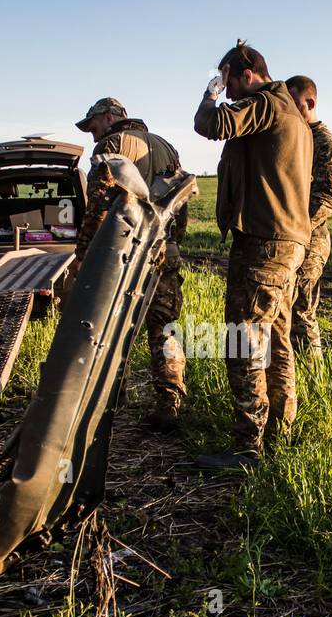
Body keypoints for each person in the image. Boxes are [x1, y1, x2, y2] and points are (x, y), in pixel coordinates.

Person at [193, 42, 313, 468]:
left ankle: (247, 446)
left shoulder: (265, 103)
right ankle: (281, 430)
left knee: (242, 340)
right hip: (287, 243)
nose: (227, 94)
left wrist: (209, 95)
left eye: (229, 83)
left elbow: (213, 123)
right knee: (277, 337)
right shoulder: (289, 112)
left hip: (264, 244)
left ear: (245, 74)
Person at [73, 97, 189, 429]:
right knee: (164, 328)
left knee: (110, 327)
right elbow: (180, 202)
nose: (92, 134)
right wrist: (173, 242)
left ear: (110, 118)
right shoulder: (166, 146)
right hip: (164, 252)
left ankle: (111, 397)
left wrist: (83, 256)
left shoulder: (111, 146)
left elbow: (97, 207)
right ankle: (170, 403)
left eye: (93, 125)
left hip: (121, 256)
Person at [285, 75, 332, 357]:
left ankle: (314, 373)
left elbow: (324, 200)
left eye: (294, 103)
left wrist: (295, 230)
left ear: (310, 102)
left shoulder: (326, 145)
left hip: (310, 239)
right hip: (291, 236)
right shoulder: (294, 138)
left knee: (301, 308)